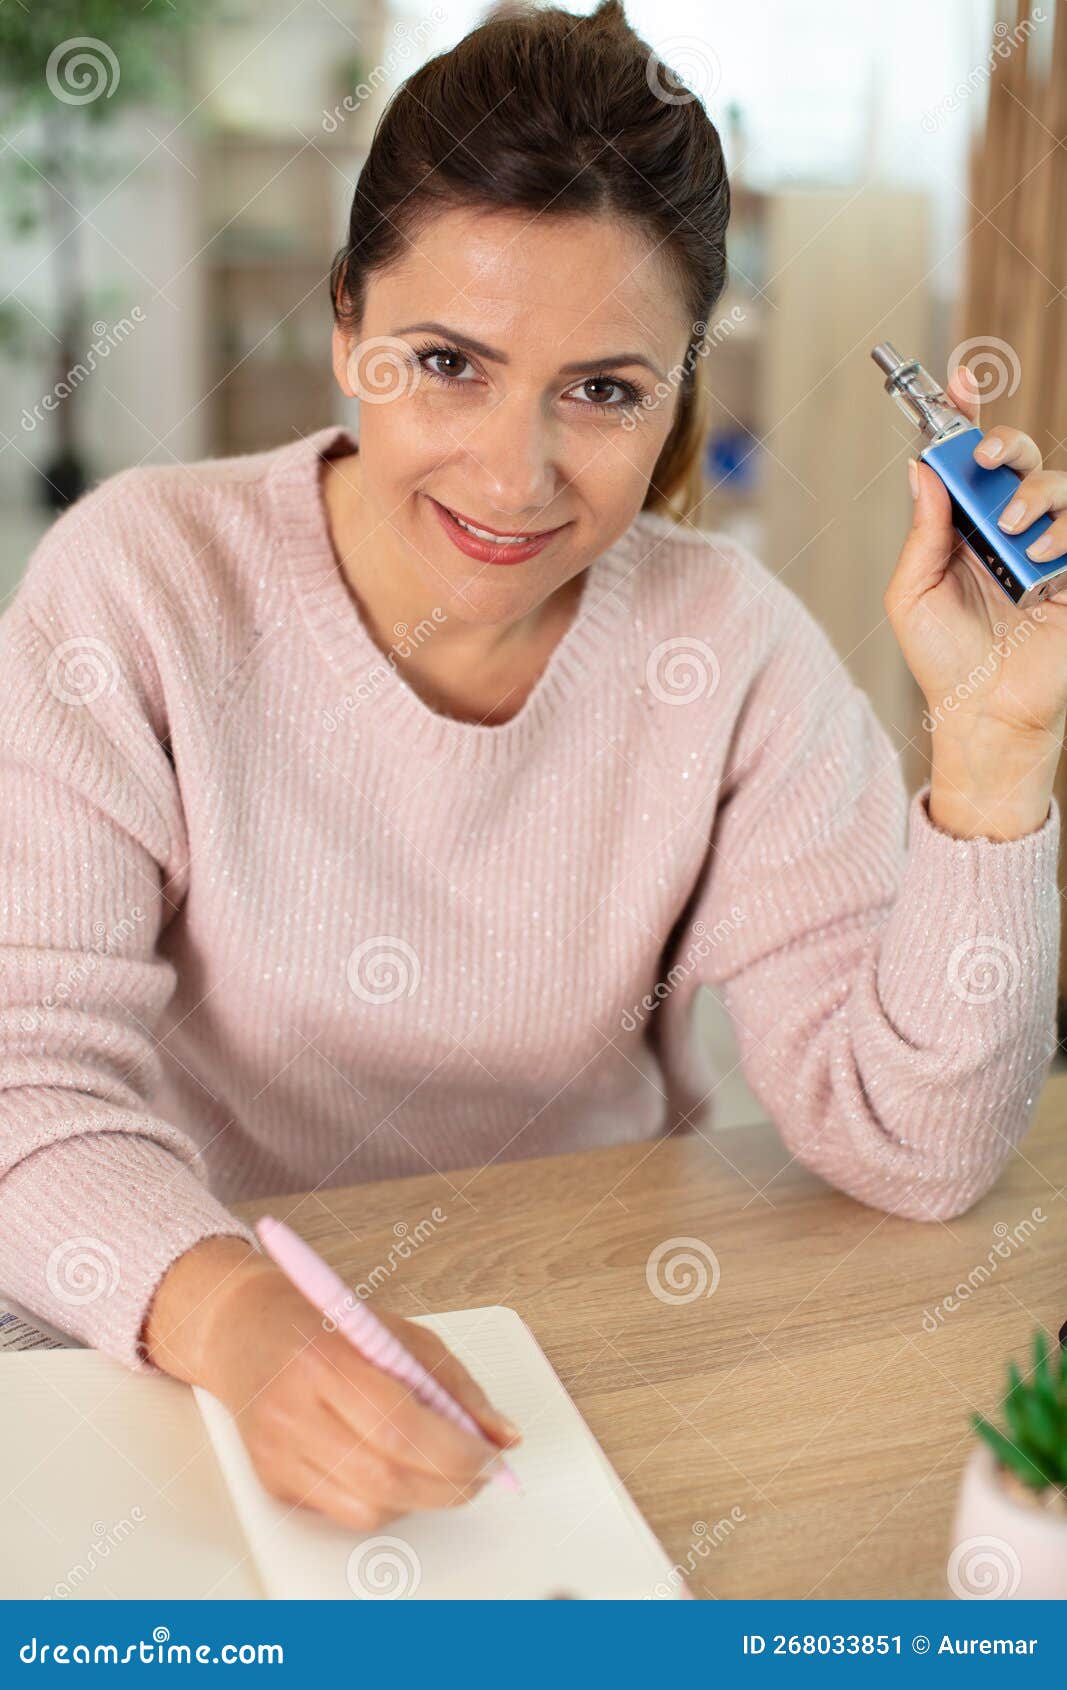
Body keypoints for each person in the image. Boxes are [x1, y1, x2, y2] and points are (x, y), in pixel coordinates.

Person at [1, 0, 1064, 1535]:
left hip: (595, 1352)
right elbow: (27, 1082)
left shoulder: (736, 651)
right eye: (447, 362)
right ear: (349, 326)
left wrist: (996, 747)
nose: (515, 476)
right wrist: (234, 1320)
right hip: (188, 1338)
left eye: (604, 390)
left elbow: (920, 1149)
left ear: (680, 390)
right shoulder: (143, 583)